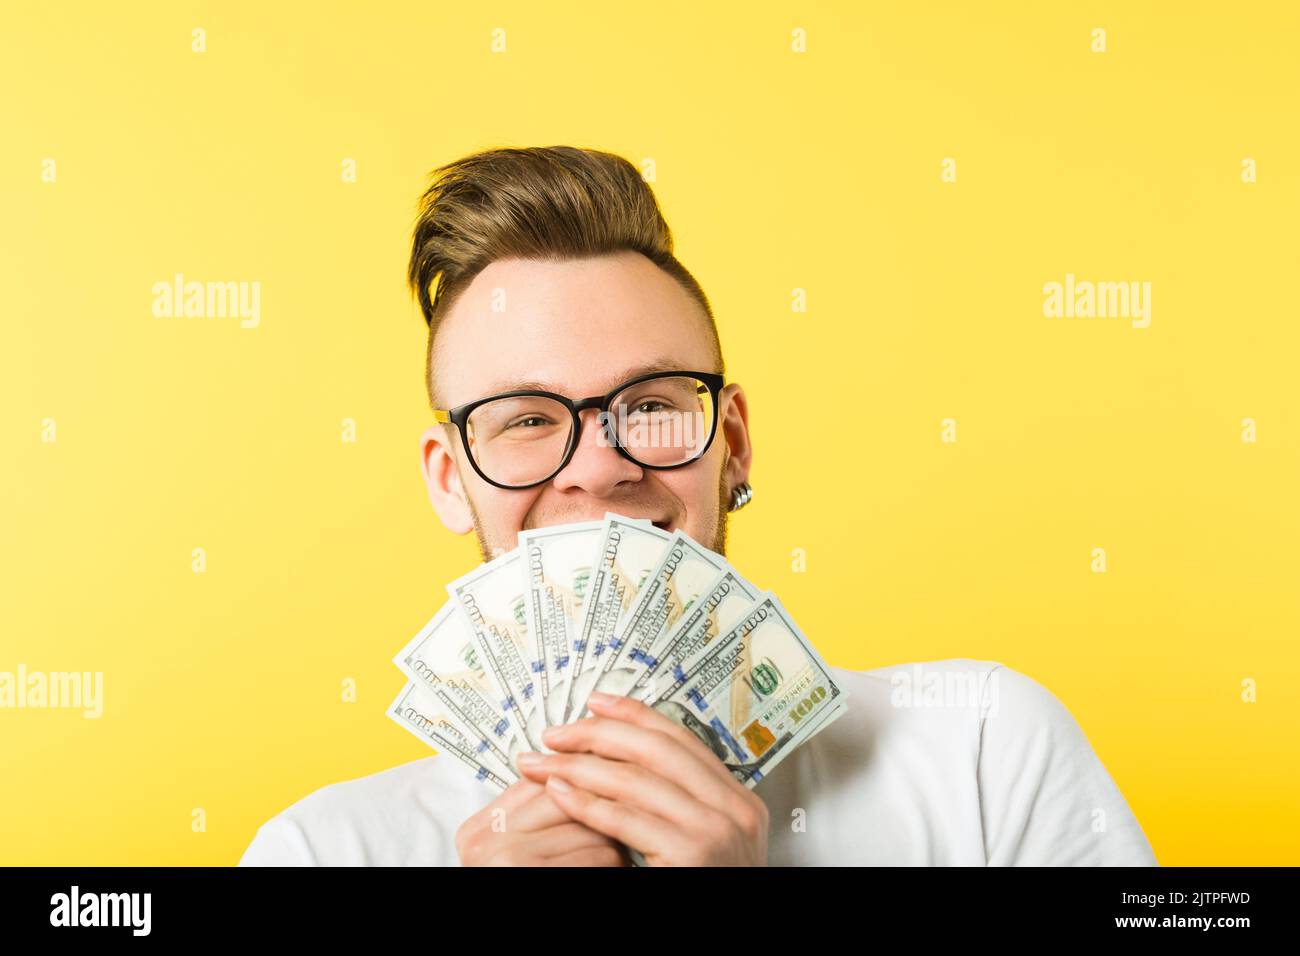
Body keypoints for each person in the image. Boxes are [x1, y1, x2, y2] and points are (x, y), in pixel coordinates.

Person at [239, 146, 1157, 866]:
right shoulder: (319, 853)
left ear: (735, 442)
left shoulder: (986, 753)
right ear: (450, 478)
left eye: (651, 405)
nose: (598, 468)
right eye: (526, 419)